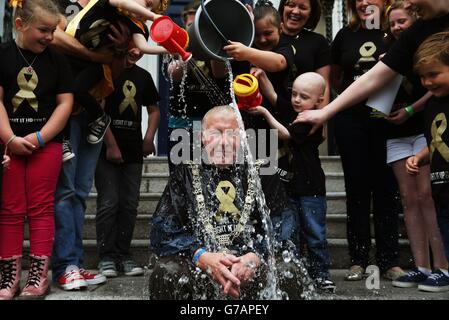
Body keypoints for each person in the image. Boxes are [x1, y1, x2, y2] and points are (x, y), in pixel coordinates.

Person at [149, 105, 313, 300]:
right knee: (166, 271)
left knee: (288, 269)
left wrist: (254, 257)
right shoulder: (185, 172)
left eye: (232, 134)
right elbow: (162, 229)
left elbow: (285, 226)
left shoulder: (263, 171)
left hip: (251, 263)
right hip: (202, 263)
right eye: (216, 133)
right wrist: (201, 255)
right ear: (202, 136)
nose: (224, 142)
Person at [50, 0, 134, 291]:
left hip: (94, 111)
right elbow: (54, 36)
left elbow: (116, 70)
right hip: (63, 112)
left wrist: (120, 49)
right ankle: (64, 266)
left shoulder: (111, 7)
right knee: (65, 191)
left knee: (81, 192)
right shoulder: (61, 3)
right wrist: (93, 55)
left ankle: (74, 262)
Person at [0, 0, 73, 300]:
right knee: (10, 209)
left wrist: (41, 138)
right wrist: (9, 139)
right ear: (20, 25)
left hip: (47, 145)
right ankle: (8, 278)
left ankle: (38, 276)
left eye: (53, 30)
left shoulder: (57, 59)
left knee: (42, 208)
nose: (49, 37)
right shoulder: (3, 55)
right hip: (8, 144)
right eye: (43, 30)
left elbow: (65, 103)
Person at [328, 0, 405, 281]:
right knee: (356, 189)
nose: (363, 3)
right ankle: (358, 260)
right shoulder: (344, 35)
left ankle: (389, 261)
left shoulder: (395, 30)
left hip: (387, 120)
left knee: (387, 190)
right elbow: (336, 79)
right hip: (351, 122)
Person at [296, 0, 449, 131]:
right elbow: (375, 76)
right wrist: (325, 112)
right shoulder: (416, 31)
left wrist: (410, 110)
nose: (407, 5)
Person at [380, 1, 449, 290]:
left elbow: (433, 93)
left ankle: (442, 267)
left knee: (429, 196)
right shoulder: (392, 56)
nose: (398, 27)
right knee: (409, 199)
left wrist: (410, 111)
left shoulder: (432, 44)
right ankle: (421, 266)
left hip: (426, 129)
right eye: (392, 23)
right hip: (400, 135)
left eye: (403, 21)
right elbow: (377, 91)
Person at [248, 72, 336, 293]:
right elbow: (275, 97)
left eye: (303, 96)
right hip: (288, 188)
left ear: (319, 101)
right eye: (294, 94)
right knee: (289, 234)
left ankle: (321, 275)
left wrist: (266, 113)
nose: (296, 100)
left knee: (315, 235)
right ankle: (294, 274)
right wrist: (262, 77)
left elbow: (286, 134)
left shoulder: (311, 119)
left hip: (311, 189)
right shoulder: (294, 110)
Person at [95, 43, 160, 278]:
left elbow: (154, 110)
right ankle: (106, 256)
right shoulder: (107, 72)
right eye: (131, 45)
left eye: (140, 46)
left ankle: (124, 254)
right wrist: (111, 144)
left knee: (130, 203)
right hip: (106, 149)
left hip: (133, 150)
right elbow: (99, 111)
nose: (136, 51)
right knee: (109, 202)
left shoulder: (143, 76)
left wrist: (149, 138)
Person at [405, 31, 449, 292]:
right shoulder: (432, 105)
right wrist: (420, 157)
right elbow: (436, 141)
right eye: (422, 77)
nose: (427, 82)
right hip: (441, 190)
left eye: (433, 74)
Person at [166, 0, 230, 174]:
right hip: (182, 125)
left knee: (215, 176)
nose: (195, 32)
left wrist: (211, 43)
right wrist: (181, 49)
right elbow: (174, 74)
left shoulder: (216, 48)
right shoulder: (177, 48)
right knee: (181, 179)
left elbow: (219, 73)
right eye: (190, 27)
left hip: (215, 127)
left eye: (199, 27)